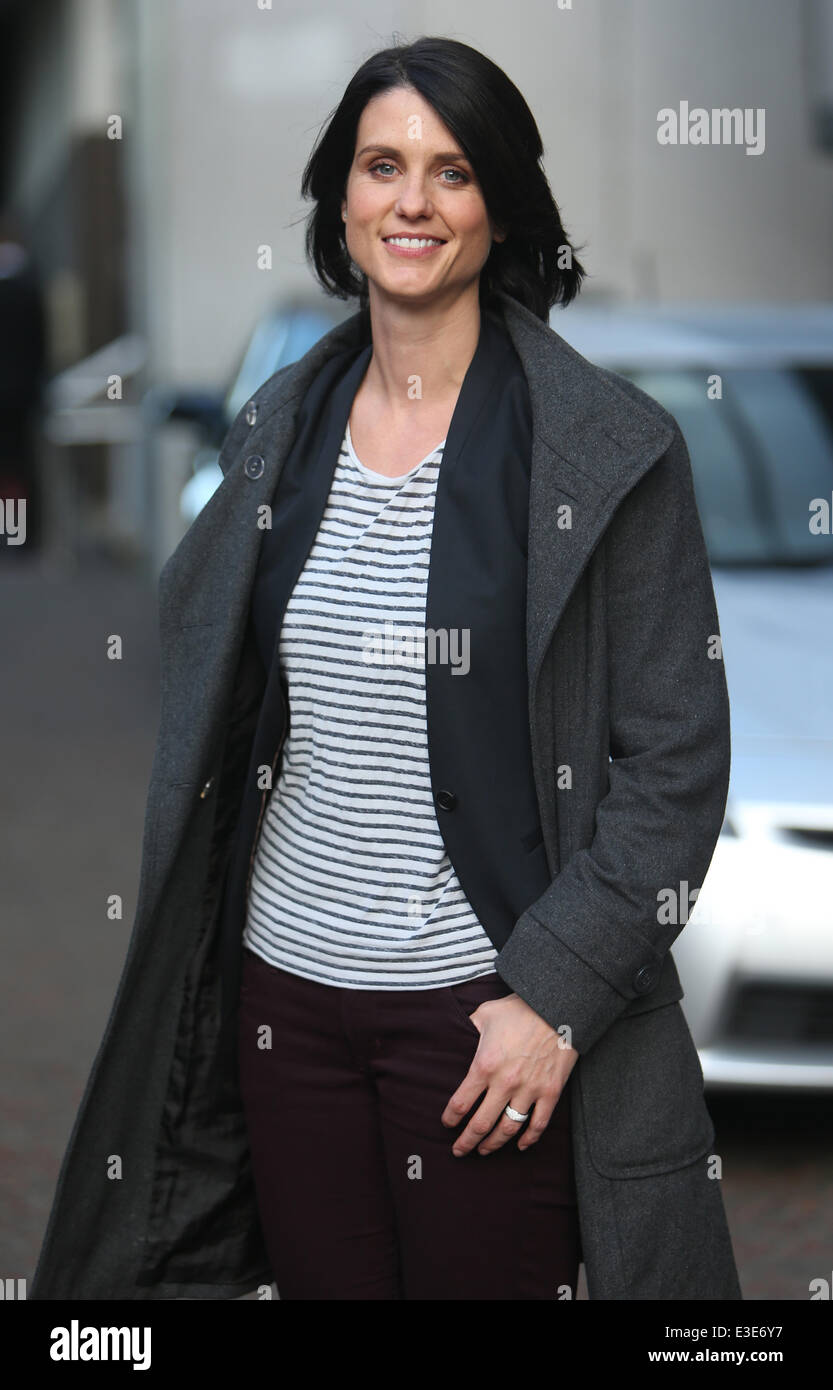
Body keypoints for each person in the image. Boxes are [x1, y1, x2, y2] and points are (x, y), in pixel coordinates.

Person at [31, 35, 741, 1302]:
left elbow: (675, 763)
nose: (411, 201)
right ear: (340, 199)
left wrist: (553, 997)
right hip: (285, 1007)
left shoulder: (605, 454)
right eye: (380, 165)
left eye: (452, 171)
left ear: (500, 204)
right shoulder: (273, 436)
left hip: (480, 1021)